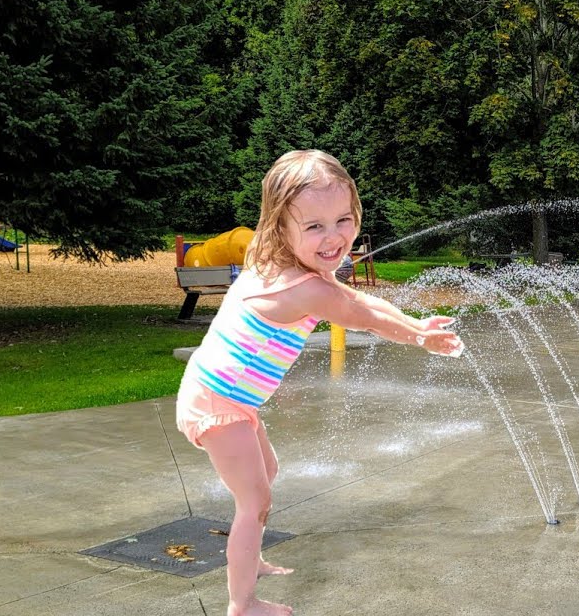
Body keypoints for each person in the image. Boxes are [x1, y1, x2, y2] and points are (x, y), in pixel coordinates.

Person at [176, 150, 462, 616]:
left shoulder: (280, 260)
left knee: (266, 473)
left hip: (223, 394)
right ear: (281, 228)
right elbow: (362, 315)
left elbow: (357, 299)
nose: (334, 238)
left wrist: (417, 322)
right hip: (216, 403)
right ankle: (242, 604)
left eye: (343, 220)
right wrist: (418, 338)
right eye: (314, 227)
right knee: (255, 501)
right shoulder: (304, 288)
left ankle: (250, 558)